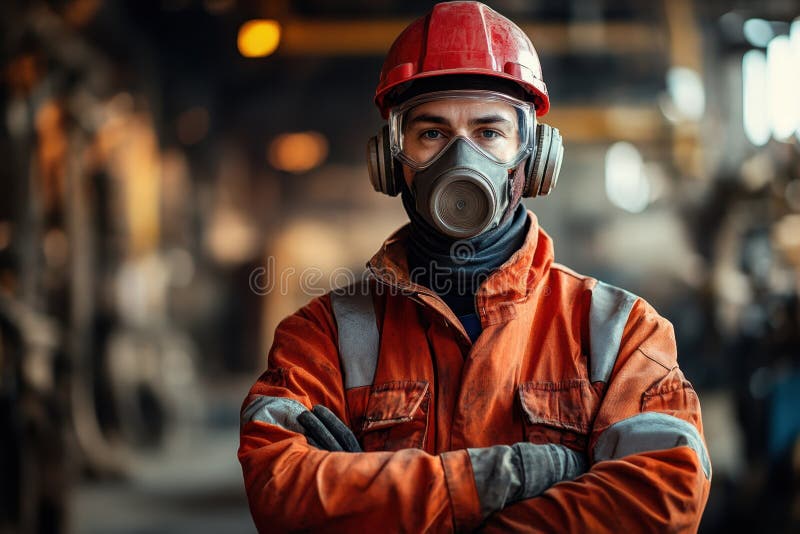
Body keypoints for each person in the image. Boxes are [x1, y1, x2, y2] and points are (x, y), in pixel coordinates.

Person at [238, 2, 711, 532]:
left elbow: (664, 498)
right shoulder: (321, 336)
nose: (461, 160)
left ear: (532, 159)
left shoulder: (620, 331)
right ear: (392, 162)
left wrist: (380, 497)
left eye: (489, 133)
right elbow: (280, 491)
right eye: (432, 134)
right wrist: (500, 478)